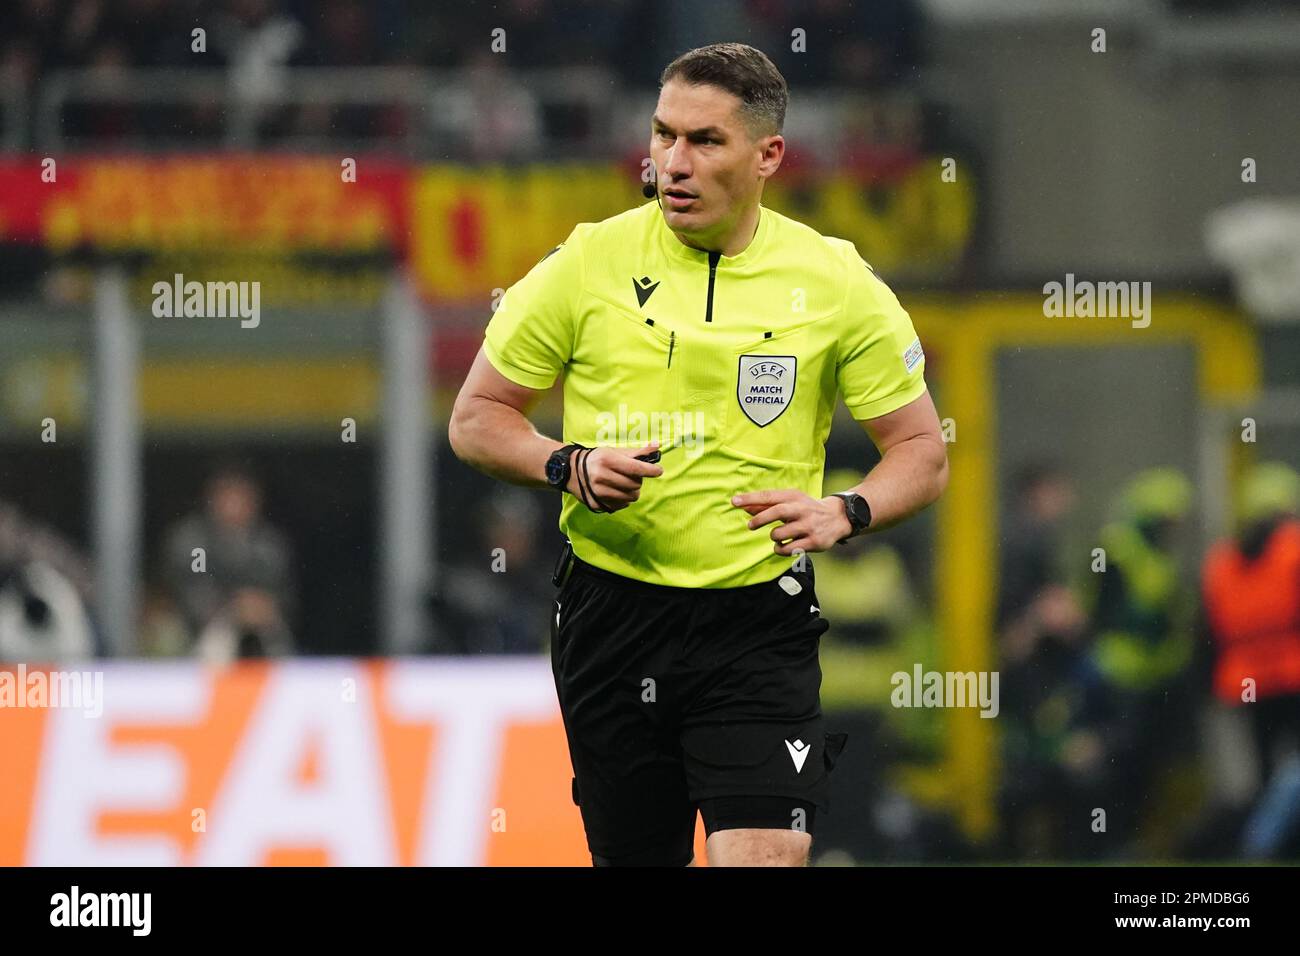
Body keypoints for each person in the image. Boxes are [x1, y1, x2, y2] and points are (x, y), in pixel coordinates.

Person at [449, 43, 947, 867]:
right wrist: (567, 465)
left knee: (767, 856)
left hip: (757, 619)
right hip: (613, 612)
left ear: (768, 157)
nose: (671, 164)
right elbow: (477, 418)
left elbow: (922, 450)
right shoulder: (588, 262)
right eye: (662, 134)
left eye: (705, 141)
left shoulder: (834, 281)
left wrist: (844, 511)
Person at [1200, 462, 1300, 858]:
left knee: (1265, 770)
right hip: (1292, 673)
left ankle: (1265, 845)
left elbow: (1208, 628)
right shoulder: (1293, 548)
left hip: (1245, 680)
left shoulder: (1223, 559)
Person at [161, 462, 296, 663]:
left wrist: (260, 606)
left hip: (258, 631)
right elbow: (189, 594)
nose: (233, 504)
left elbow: (284, 596)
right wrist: (233, 608)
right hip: (201, 632)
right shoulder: (192, 541)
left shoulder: (268, 544)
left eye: (241, 496)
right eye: (227, 496)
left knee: (275, 635)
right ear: (212, 498)